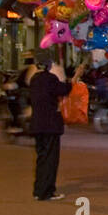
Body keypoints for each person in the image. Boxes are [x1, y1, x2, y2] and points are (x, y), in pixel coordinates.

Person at [29, 53, 78, 201]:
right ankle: (47, 191)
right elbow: (66, 89)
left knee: (41, 158)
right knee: (50, 159)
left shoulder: (34, 80)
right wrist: (77, 75)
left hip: (37, 124)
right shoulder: (50, 79)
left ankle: (39, 190)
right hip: (50, 124)